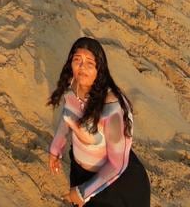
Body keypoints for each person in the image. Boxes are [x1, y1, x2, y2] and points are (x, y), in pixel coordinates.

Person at [47, 36, 151, 206]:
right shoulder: (72, 85)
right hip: (80, 174)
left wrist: (83, 192)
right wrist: (56, 147)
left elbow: (117, 165)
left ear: (99, 69)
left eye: (90, 63)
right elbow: (67, 116)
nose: (82, 67)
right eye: (77, 60)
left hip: (114, 187)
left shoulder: (113, 108)